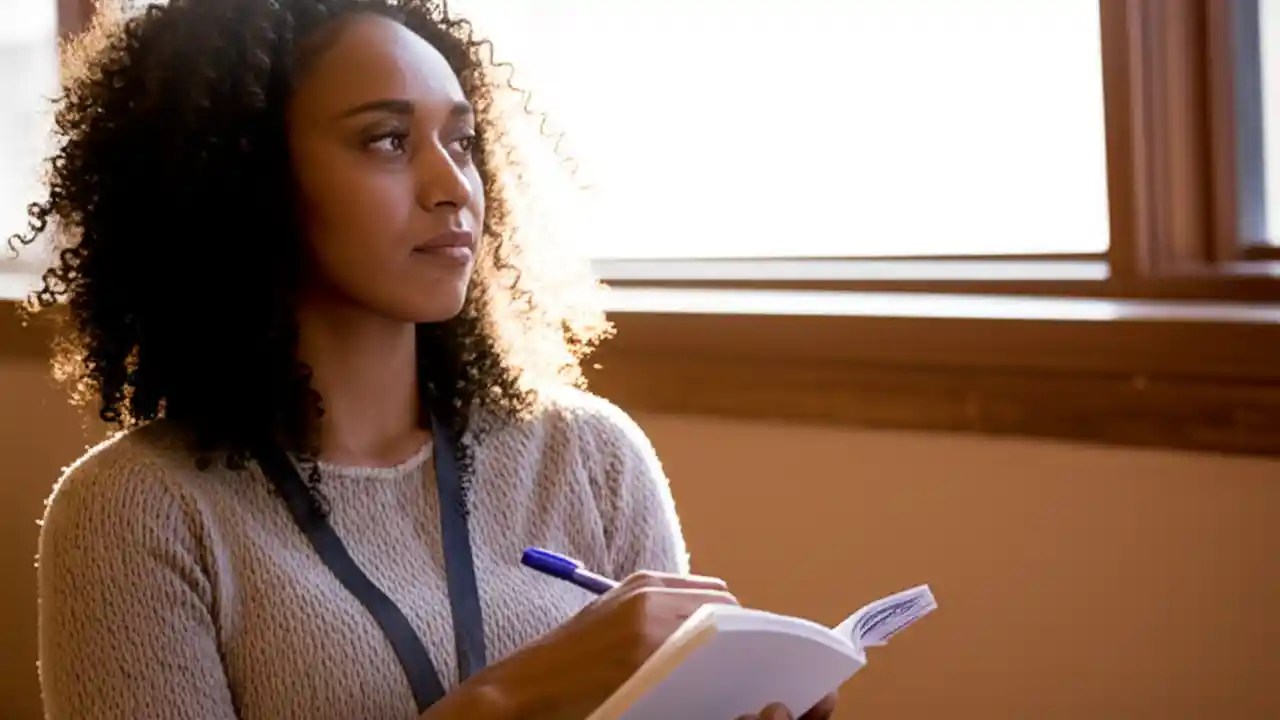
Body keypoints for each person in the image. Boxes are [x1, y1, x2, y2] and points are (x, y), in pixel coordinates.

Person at [15, 1, 839, 719]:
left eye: (463, 140)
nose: (454, 187)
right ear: (245, 177)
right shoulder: (134, 512)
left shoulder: (590, 456)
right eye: (385, 140)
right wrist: (520, 693)